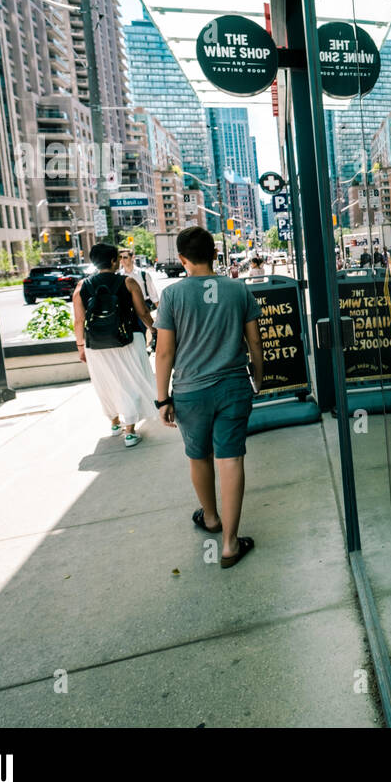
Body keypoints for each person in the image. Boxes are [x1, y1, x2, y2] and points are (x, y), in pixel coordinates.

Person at [155, 226, 265, 570]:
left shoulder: (172, 296)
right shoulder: (237, 289)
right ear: (215, 254)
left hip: (190, 392)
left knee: (199, 456)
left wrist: (163, 399)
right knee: (231, 459)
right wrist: (258, 381)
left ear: (182, 259)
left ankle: (212, 519)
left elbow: (163, 353)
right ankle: (231, 544)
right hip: (233, 387)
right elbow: (255, 343)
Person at [72, 243, 157, 447]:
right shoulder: (128, 282)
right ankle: (129, 431)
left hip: (96, 345)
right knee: (130, 382)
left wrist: (81, 347)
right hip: (127, 340)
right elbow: (143, 313)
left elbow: (78, 320)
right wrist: (154, 330)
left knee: (106, 383)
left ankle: (114, 422)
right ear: (113, 261)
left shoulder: (81, 286)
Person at [119, 248, 159, 351]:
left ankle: (143, 351)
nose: (122, 260)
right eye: (120, 258)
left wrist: (161, 314)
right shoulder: (119, 276)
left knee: (141, 332)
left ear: (132, 258)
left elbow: (153, 296)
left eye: (125, 257)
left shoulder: (143, 274)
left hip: (142, 307)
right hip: (126, 309)